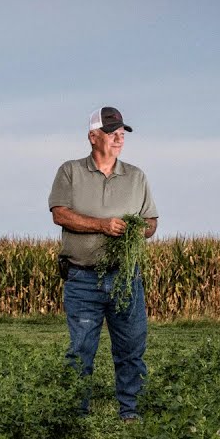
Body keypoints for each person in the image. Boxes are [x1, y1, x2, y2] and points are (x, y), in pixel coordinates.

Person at [48, 106, 158, 421]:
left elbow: (151, 222)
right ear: (93, 137)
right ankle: (76, 415)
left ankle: (130, 412)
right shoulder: (70, 171)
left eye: (122, 133)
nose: (119, 138)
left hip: (126, 278)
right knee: (81, 350)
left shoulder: (136, 176)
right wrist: (102, 226)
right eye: (112, 133)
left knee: (131, 348)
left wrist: (138, 229)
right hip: (83, 278)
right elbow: (60, 214)